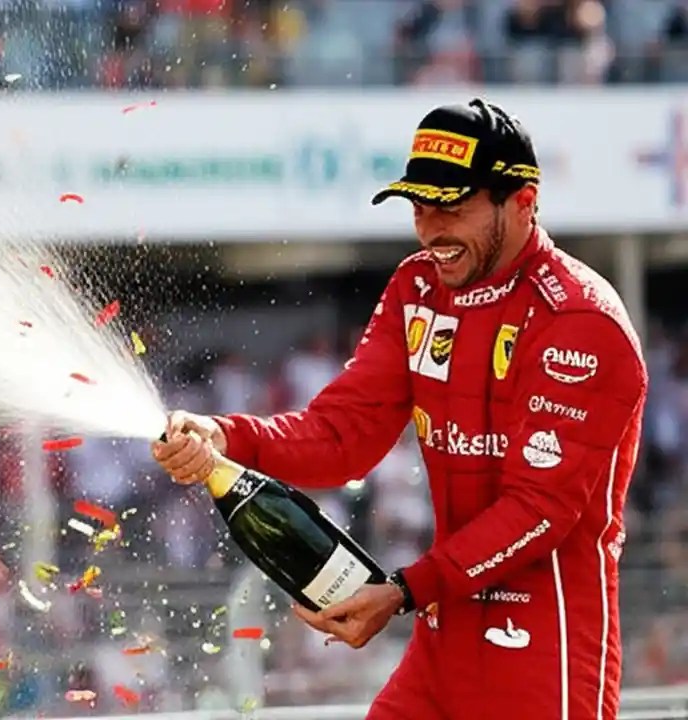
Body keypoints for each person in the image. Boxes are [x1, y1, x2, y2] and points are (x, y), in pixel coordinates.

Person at [152, 98, 647, 719]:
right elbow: (343, 435)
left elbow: (540, 509)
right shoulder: (416, 287)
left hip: (543, 646)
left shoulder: (579, 320)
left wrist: (405, 591)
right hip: (440, 636)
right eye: (419, 207)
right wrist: (225, 437)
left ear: (523, 201)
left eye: (453, 207)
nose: (431, 229)